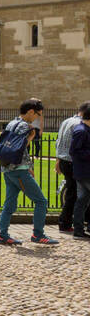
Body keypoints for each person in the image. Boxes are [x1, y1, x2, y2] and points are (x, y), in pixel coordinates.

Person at [0, 98, 56, 246]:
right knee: (41, 201)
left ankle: (2, 235)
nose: (37, 118)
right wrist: (31, 137)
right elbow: (20, 148)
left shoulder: (12, 123)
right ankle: (38, 234)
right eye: (37, 114)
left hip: (7, 169)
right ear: (30, 111)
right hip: (19, 170)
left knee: (9, 203)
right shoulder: (24, 126)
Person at [56, 106, 83, 232]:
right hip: (73, 162)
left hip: (64, 160)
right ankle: (65, 223)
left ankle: (65, 222)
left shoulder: (67, 121)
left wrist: (58, 159)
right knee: (75, 194)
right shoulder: (80, 124)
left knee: (73, 193)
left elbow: (58, 141)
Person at [69, 102, 90, 241]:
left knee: (82, 201)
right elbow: (74, 151)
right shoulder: (81, 131)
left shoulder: (85, 129)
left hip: (84, 171)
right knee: (82, 201)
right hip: (85, 172)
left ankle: (78, 230)